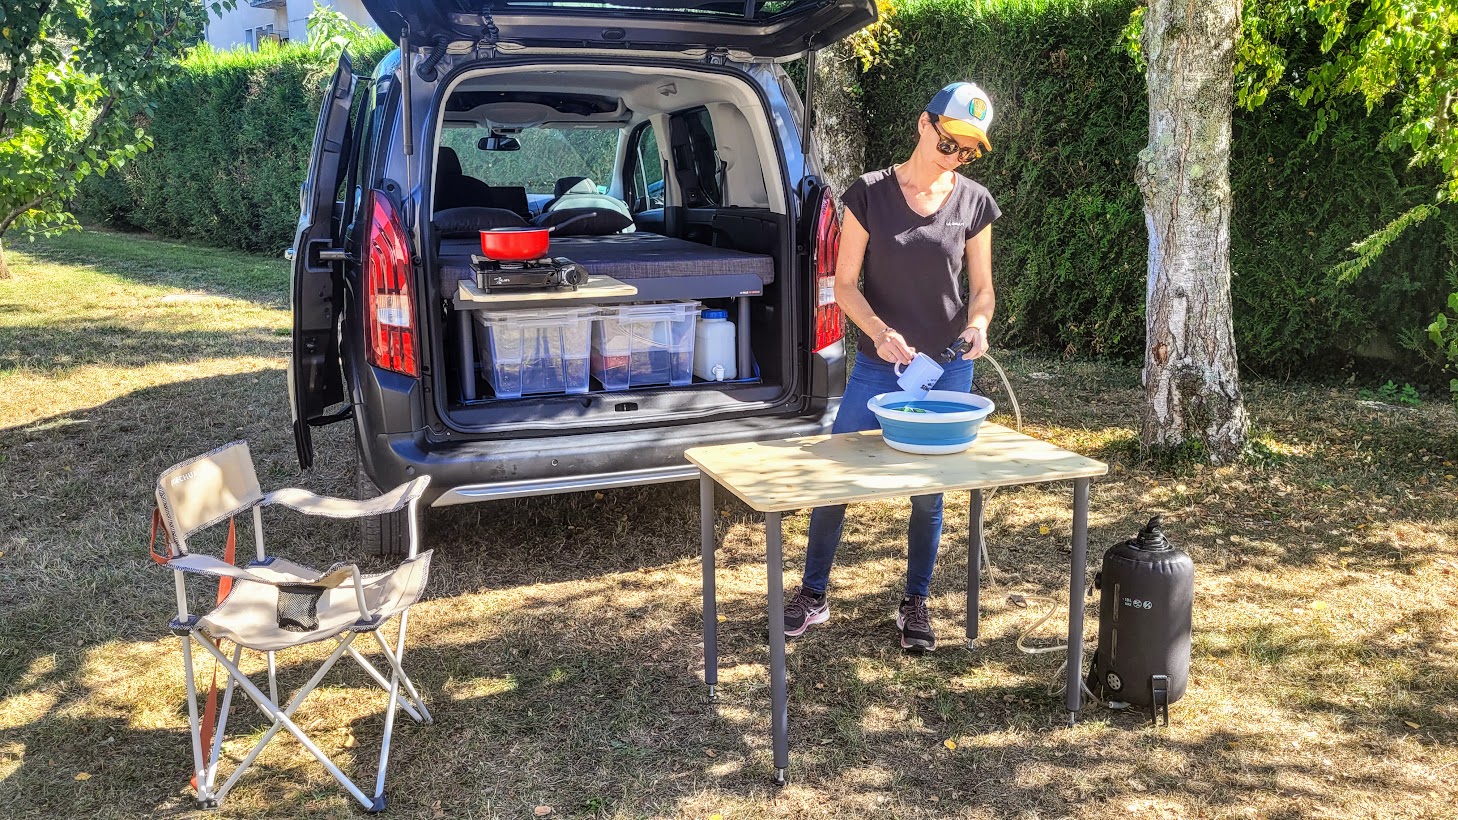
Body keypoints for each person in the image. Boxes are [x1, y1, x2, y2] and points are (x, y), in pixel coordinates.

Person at [785, 82, 1002, 653]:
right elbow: (844, 286)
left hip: (947, 369)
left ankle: (916, 603)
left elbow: (982, 291)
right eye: (951, 142)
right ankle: (813, 593)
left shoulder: (974, 203)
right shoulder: (870, 194)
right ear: (924, 124)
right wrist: (879, 333)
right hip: (881, 367)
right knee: (838, 473)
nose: (956, 156)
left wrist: (977, 327)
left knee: (930, 491)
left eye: (969, 150)